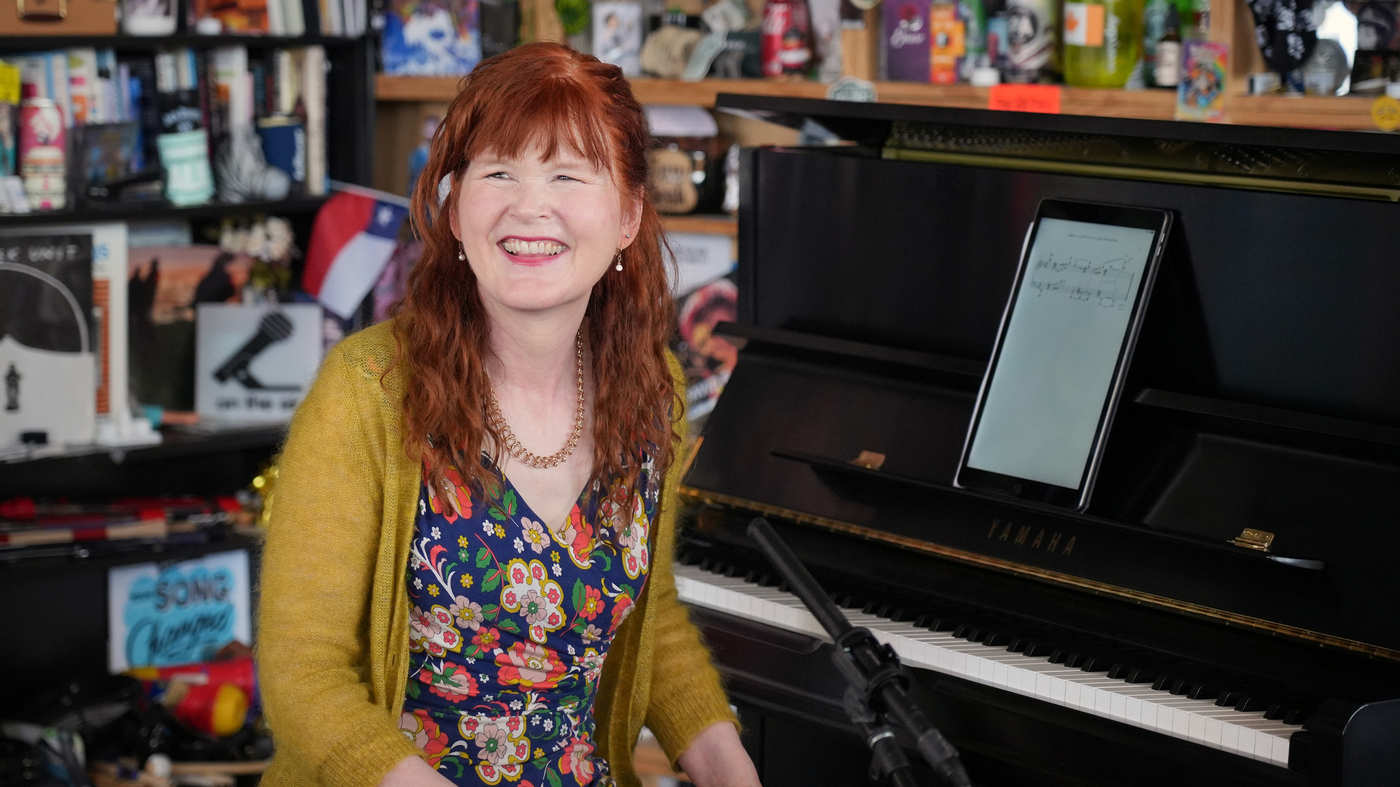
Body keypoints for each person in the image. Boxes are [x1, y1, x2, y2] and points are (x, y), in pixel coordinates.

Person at [255, 43, 762, 787]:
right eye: (499, 172)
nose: (530, 206)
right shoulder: (366, 389)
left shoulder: (654, 391)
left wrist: (727, 763)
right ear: (455, 208)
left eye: (567, 174)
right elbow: (305, 673)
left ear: (627, 214)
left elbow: (647, 620)